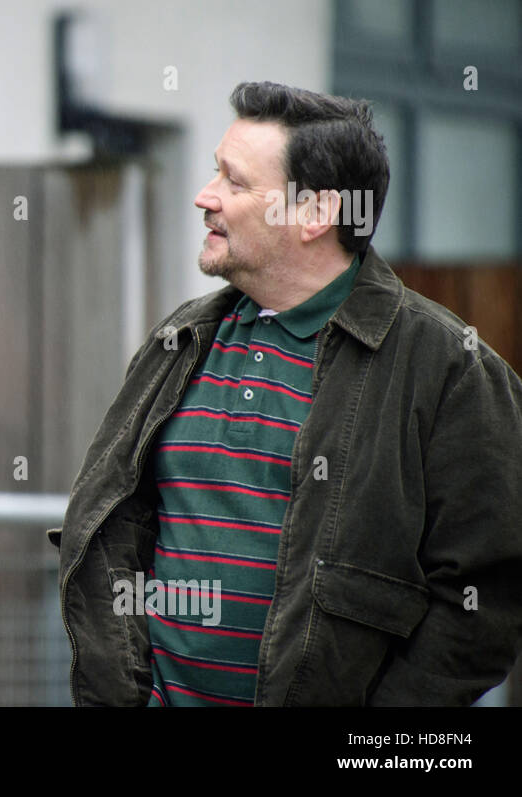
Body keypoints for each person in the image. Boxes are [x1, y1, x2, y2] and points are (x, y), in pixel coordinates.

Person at [54, 81, 522, 706]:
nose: (205, 196)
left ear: (316, 215)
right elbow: (118, 526)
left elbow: (486, 599)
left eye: (235, 181)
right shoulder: (183, 338)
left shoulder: (448, 367)